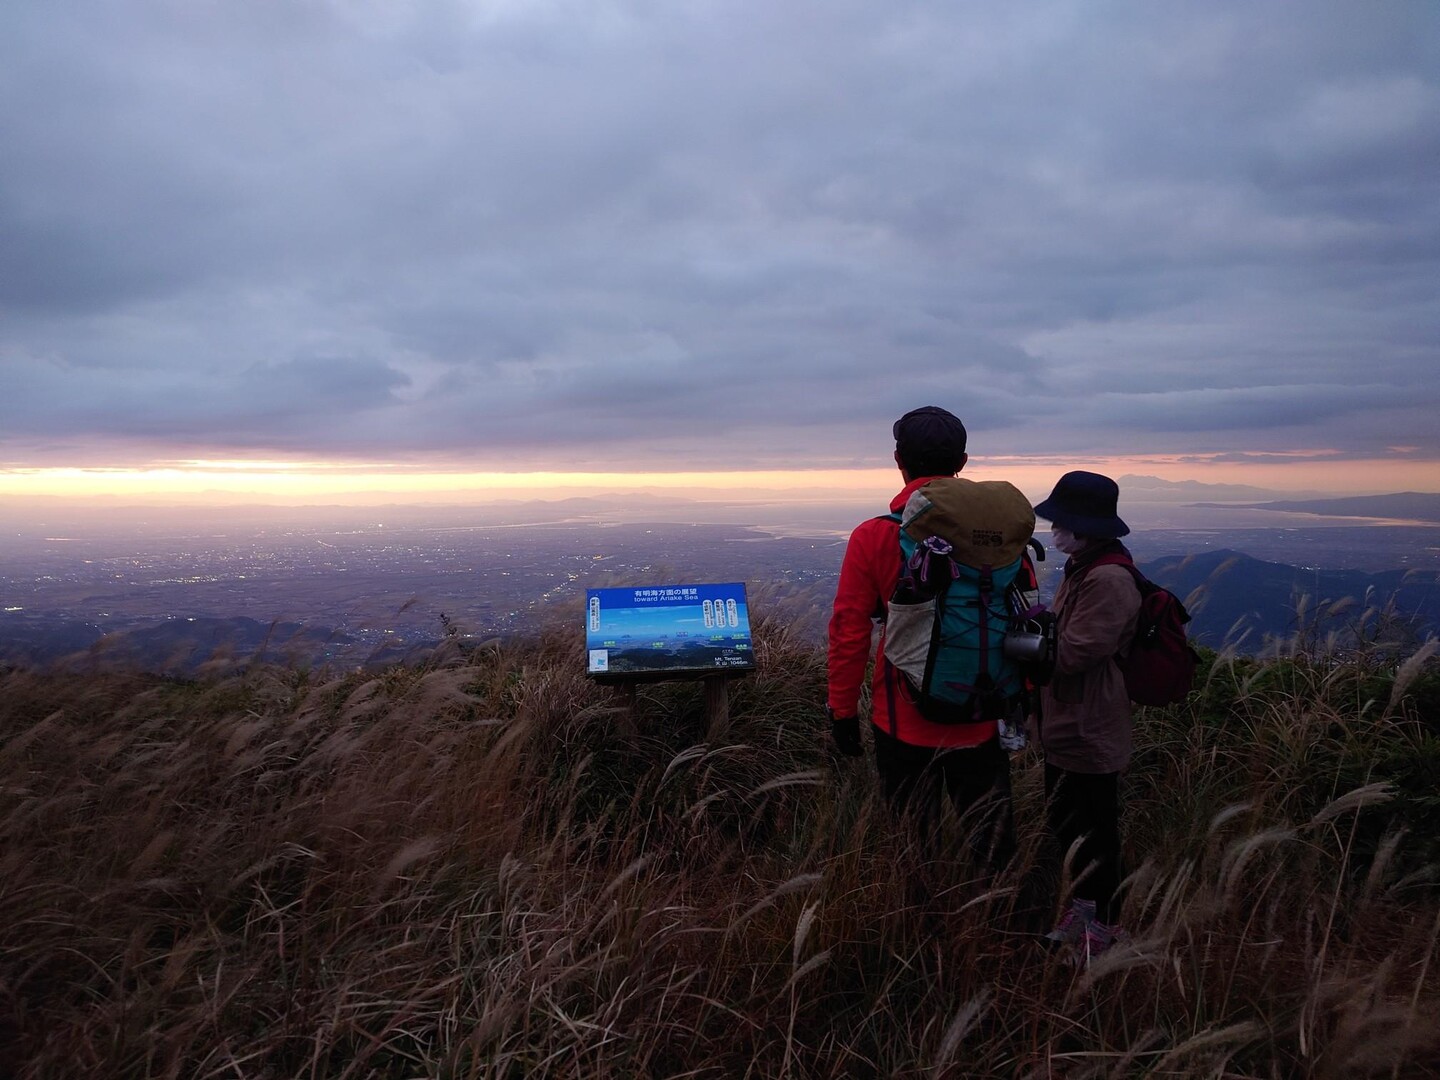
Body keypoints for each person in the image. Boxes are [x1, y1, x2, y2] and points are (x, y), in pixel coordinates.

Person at [826, 406, 1014, 870]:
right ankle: (1006, 933)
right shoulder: (999, 537)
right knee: (992, 849)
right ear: (963, 461)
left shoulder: (874, 536)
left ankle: (922, 935)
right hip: (981, 711)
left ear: (898, 459)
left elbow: (849, 630)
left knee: (916, 849)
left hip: (902, 720)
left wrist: (843, 711)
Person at [1031, 470, 1142, 961]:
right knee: (1069, 826)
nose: (1053, 530)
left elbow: (1075, 653)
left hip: (1090, 725)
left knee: (1096, 833)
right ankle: (1082, 915)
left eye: (1060, 521)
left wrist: (1027, 645)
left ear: (1083, 526)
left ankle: (1105, 930)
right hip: (1067, 724)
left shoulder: (1109, 578)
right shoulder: (1086, 568)